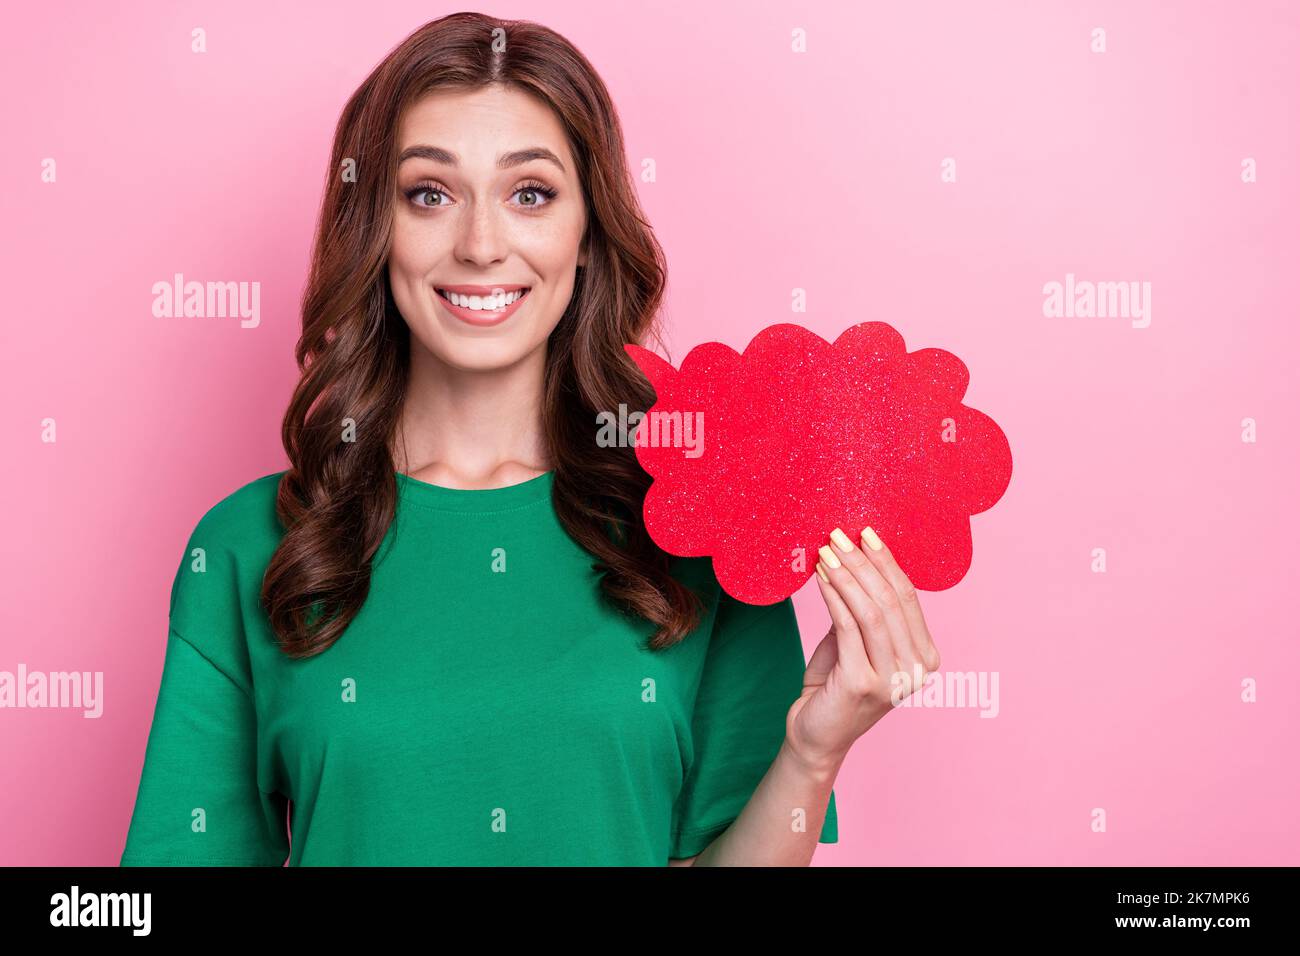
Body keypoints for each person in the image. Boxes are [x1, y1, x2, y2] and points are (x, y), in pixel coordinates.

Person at [119, 11, 939, 867]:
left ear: (586, 233)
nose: (480, 245)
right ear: (376, 226)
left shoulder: (701, 521)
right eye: (429, 194)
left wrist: (814, 750)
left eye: (531, 193)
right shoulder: (249, 548)